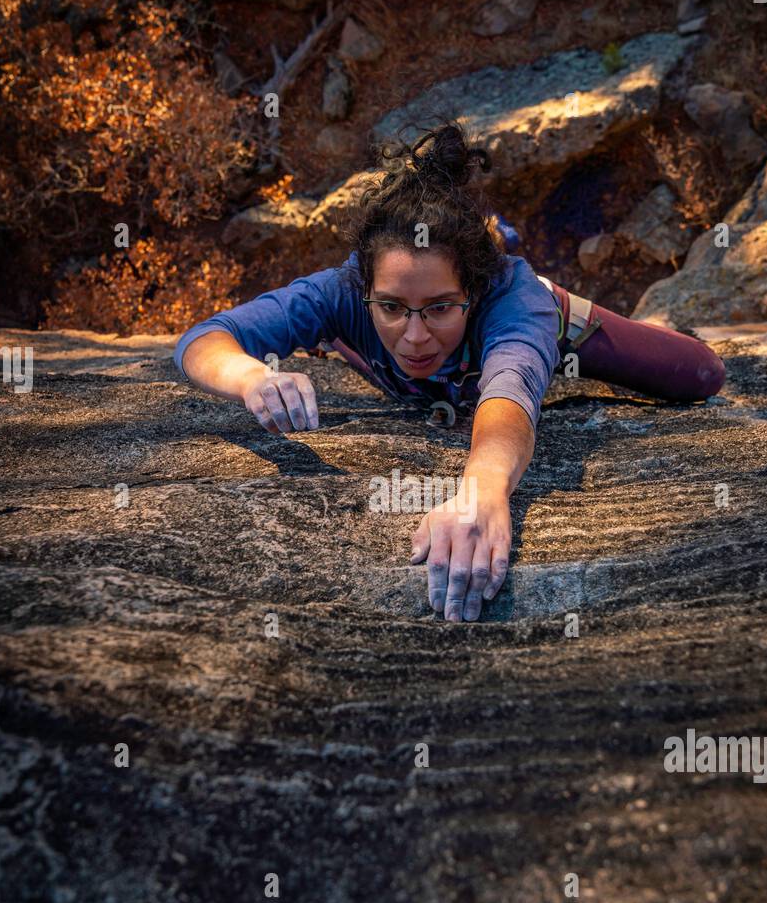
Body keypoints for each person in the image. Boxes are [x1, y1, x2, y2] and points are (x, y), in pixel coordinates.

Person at [174, 122, 725, 622]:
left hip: (550, 320)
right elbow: (203, 340)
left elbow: (510, 392)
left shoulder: (509, 302)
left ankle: (554, 304)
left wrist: (482, 491)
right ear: (365, 288)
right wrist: (253, 378)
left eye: (440, 307)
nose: (415, 336)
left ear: (474, 292)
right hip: (383, 333)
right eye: (390, 307)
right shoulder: (340, 290)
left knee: (698, 375)